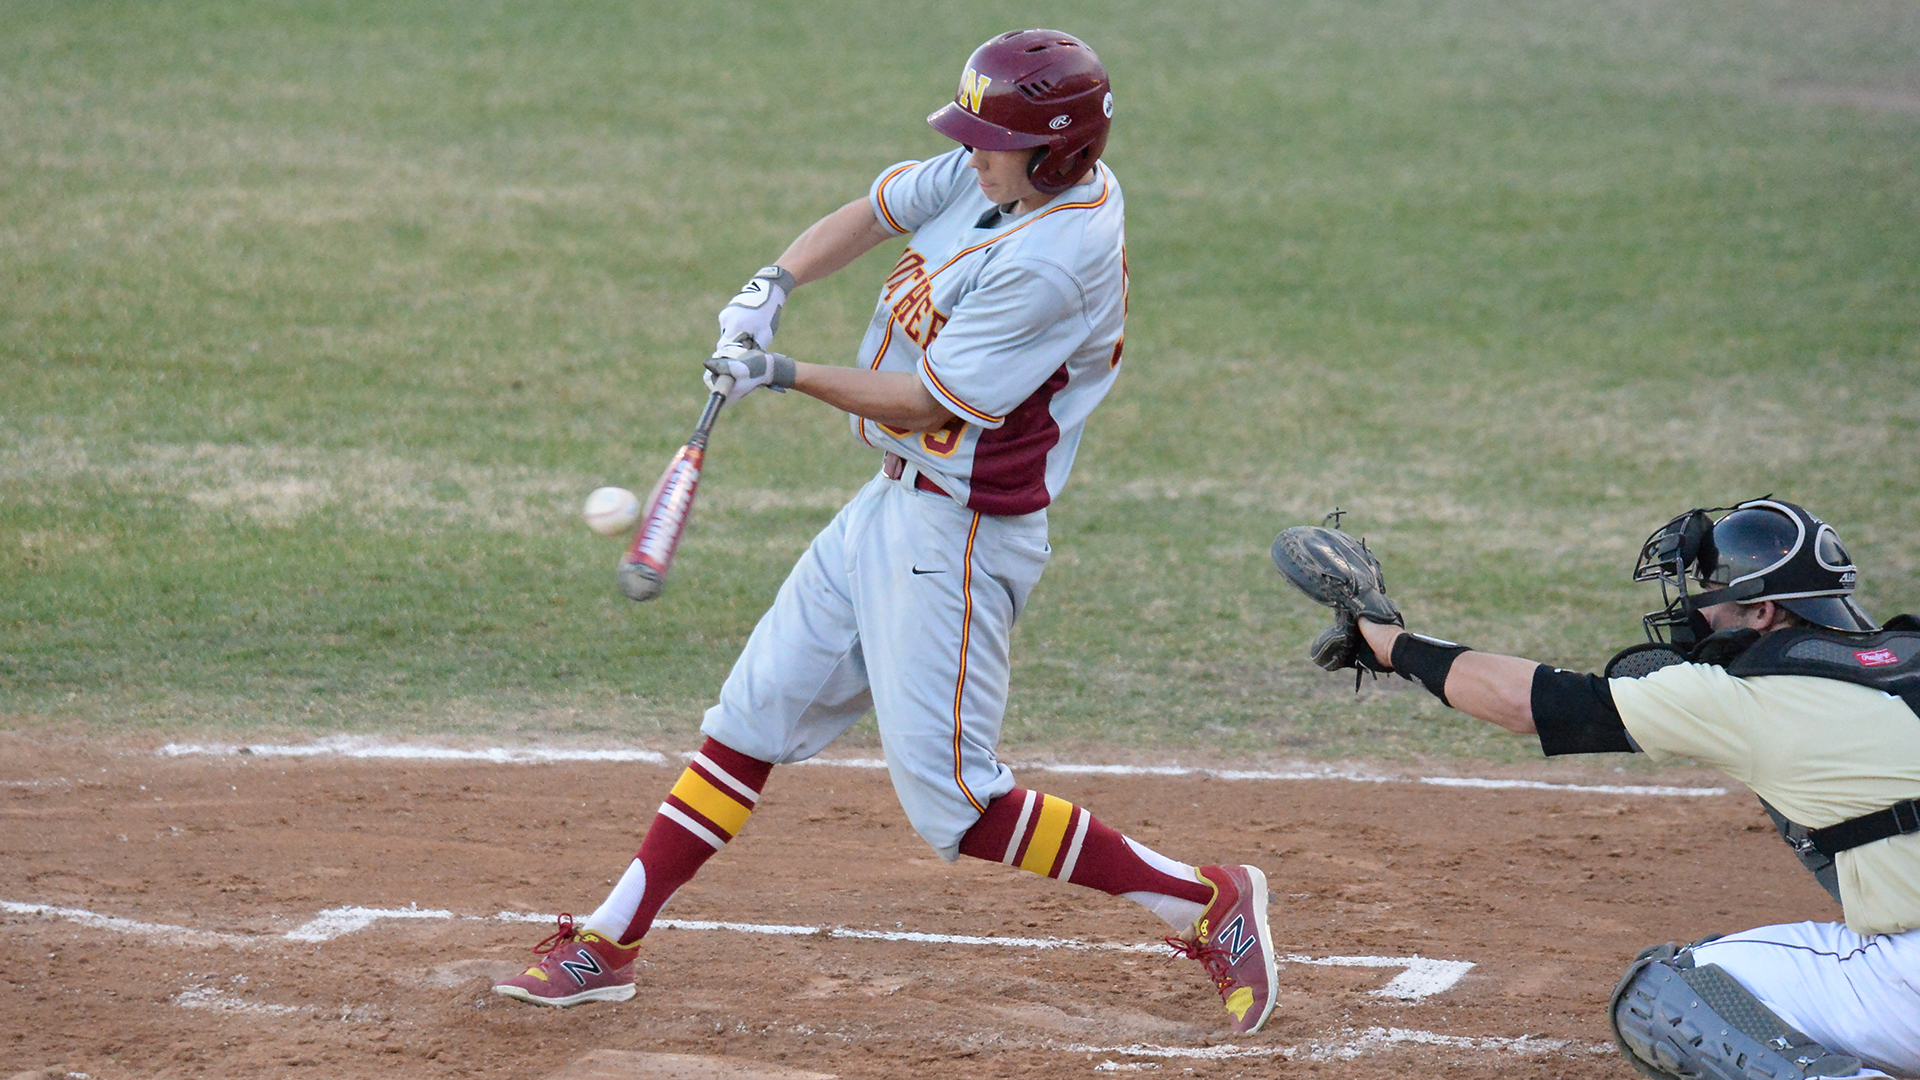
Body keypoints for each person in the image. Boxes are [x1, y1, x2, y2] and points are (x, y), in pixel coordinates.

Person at [492, 29, 1280, 1034]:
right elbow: (877, 210)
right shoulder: (996, 173)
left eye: (994, 141)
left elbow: (923, 400)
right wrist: (774, 283)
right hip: (891, 507)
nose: (972, 154)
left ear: (1057, 153)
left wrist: (781, 373)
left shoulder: (1053, 262)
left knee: (958, 804)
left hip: (959, 536)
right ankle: (611, 940)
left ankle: (1206, 901)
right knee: (750, 717)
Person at [1279, 498, 1920, 1078]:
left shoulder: (1739, 698)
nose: (1697, 609)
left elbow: (1525, 701)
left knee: (1675, 992)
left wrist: (1389, 641)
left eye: (1712, 593)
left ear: (1761, 611)